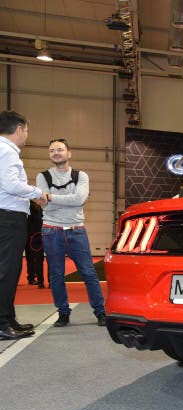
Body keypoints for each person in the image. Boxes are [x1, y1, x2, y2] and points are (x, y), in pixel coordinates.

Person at [38, 139, 106, 327]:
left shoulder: (81, 175)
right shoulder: (42, 176)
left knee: (89, 273)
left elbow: (79, 199)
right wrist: (68, 200)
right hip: (51, 231)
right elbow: (49, 205)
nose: (56, 153)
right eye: (52, 150)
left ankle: (100, 312)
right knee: (56, 275)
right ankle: (63, 313)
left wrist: (50, 197)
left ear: (69, 153)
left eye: (60, 149)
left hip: (76, 230)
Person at [0, 110, 48, 340]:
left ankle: (8, 319)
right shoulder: (7, 152)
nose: (27, 135)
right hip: (8, 218)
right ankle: (2, 323)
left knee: (9, 270)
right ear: (19, 129)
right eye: (27, 130)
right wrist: (38, 193)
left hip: (8, 217)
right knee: (7, 271)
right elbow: (11, 184)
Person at [25, 200, 45, 288]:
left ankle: (34, 279)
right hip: (32, 237)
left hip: (34, 236)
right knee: (34, 259)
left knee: (34, 259)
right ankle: (33, 278)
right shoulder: (31, 208)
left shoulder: (40, 208)